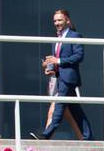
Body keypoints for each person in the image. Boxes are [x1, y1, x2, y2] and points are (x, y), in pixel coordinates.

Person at [33, 8, 92, 140]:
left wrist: (58, 61)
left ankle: (46, 135)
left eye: (59, 20)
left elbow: (78, 56)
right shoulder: (57, 38)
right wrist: (51, 67)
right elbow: (55, 57)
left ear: (67, 20)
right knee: (76, 110)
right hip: (60, 77)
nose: (57, 23)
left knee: (58, 107)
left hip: (69, 78)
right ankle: (88, 136)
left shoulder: (74, 36)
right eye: (55, 21)